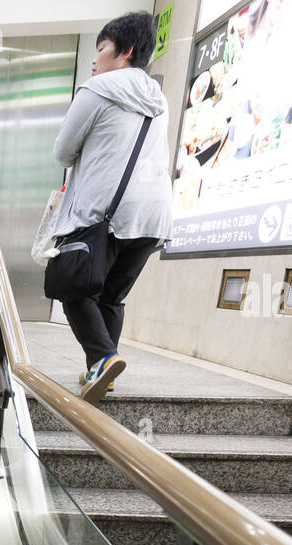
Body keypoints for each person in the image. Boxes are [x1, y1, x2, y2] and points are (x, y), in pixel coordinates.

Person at [50, 12, 172, 402]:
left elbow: (63, 151)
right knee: (110, 297)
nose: (94, 58)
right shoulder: (158, 99)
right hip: (154, 216)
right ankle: (102, 370)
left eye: (101, 48)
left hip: (106, 212)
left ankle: (103, 358)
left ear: (126, 51)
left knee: (71, 286)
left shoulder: (96, 90)